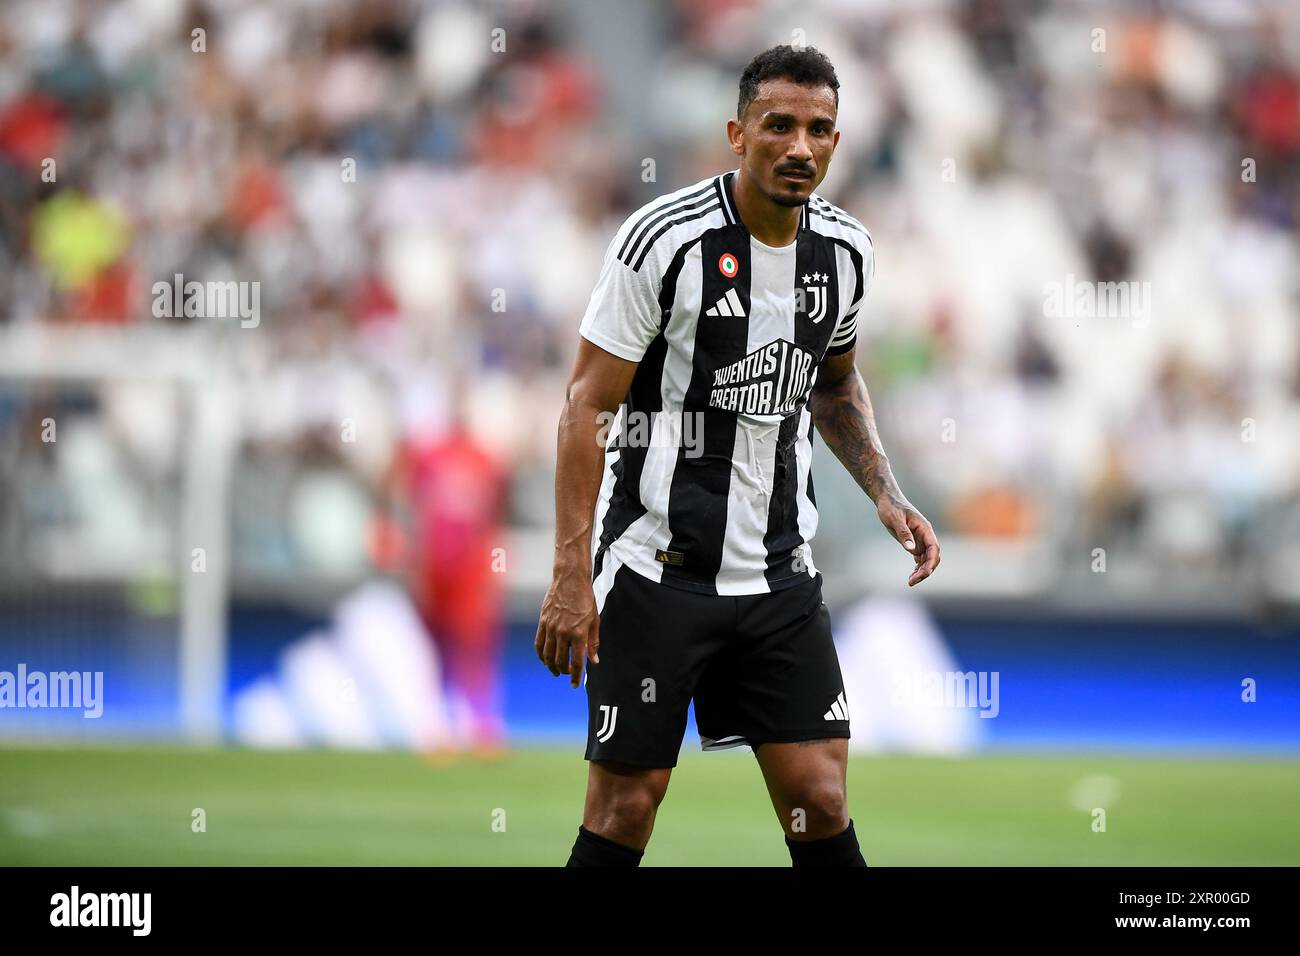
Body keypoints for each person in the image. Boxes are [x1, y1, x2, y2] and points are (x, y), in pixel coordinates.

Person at [535, 45, 941, 867]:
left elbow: (835, 386)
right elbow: (586, 408)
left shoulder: (846, 253)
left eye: (820, 129)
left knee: (820, 802)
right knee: (624, 809)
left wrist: (885, 494)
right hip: (655, 571)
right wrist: (572, 574)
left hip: (778, 576)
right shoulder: (662, 241)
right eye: (779, 125)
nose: (800, 147)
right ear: (736, 133)